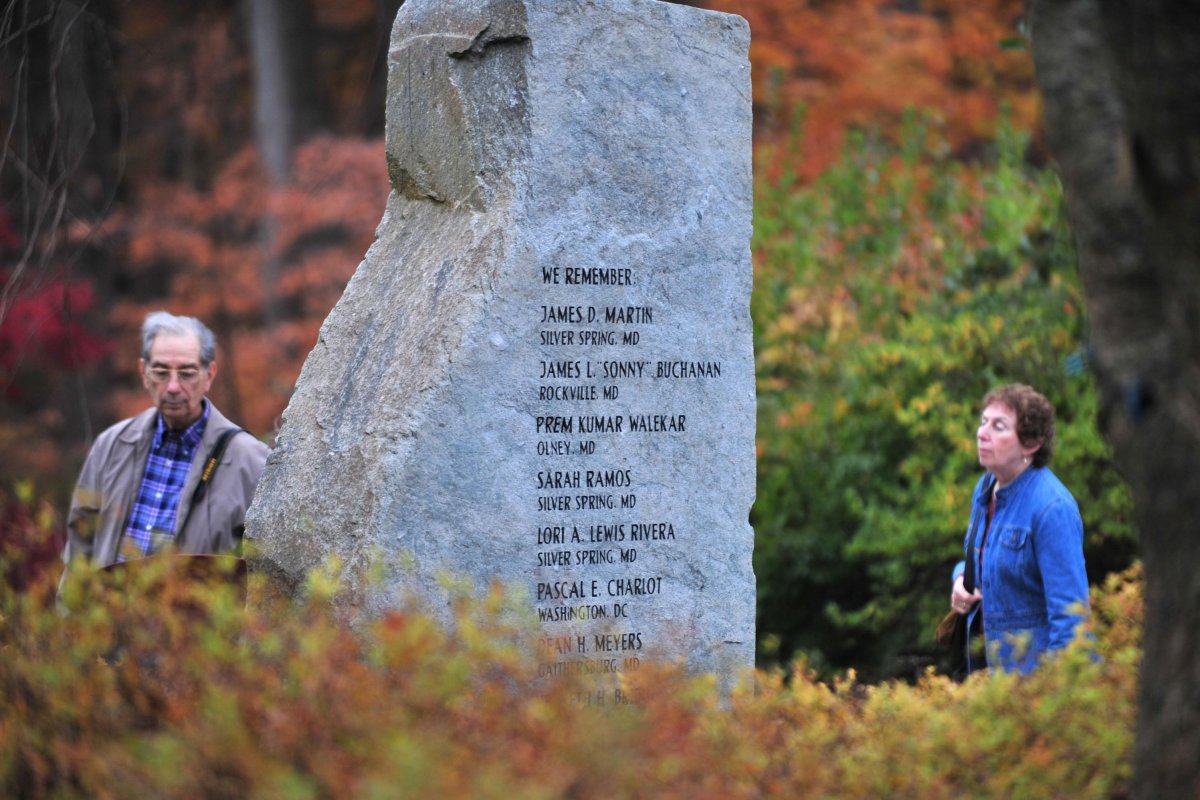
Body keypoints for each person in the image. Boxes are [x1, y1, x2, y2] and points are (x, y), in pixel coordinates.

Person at [61, 311, 269, 578]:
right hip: (107, 617)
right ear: (144, 373)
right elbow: (78, 551)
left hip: (200, 619)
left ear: (209, 375)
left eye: (186, 373)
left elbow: (266, 574)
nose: (172, 387)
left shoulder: (252, 461)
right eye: (161, 372)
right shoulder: (110, 446)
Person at [948, 384, 1089, 675]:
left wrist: (1055, 697)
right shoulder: (986, 487)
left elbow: (1071, 618)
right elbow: (980, 560)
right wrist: (961, 577)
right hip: (987, 676)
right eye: (983, 422)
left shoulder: (1052, 508)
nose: (982, 433)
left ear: (1031, 443)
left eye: (999, 426)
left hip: (1032, 689)